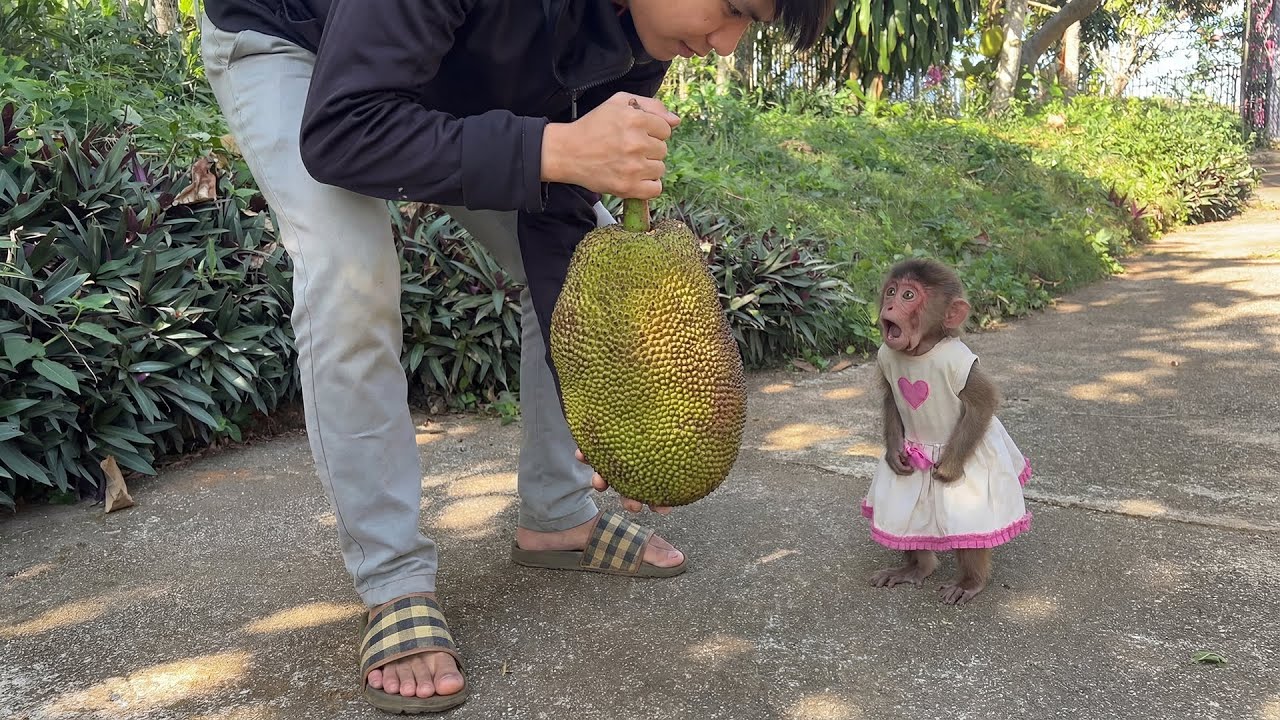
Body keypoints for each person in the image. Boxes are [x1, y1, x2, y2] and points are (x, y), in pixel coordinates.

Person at [198, 0, 833, 713]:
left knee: (590, 246)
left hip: (448, 74)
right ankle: (393, 579)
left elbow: (557, 216)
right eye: (731, 8)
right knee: (352, 268)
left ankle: (559, 515)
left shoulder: (640, 32)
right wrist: (551, 150)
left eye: (751, 26)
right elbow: (345, 130)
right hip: (300, 48)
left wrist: (617, 410)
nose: (725, 45)